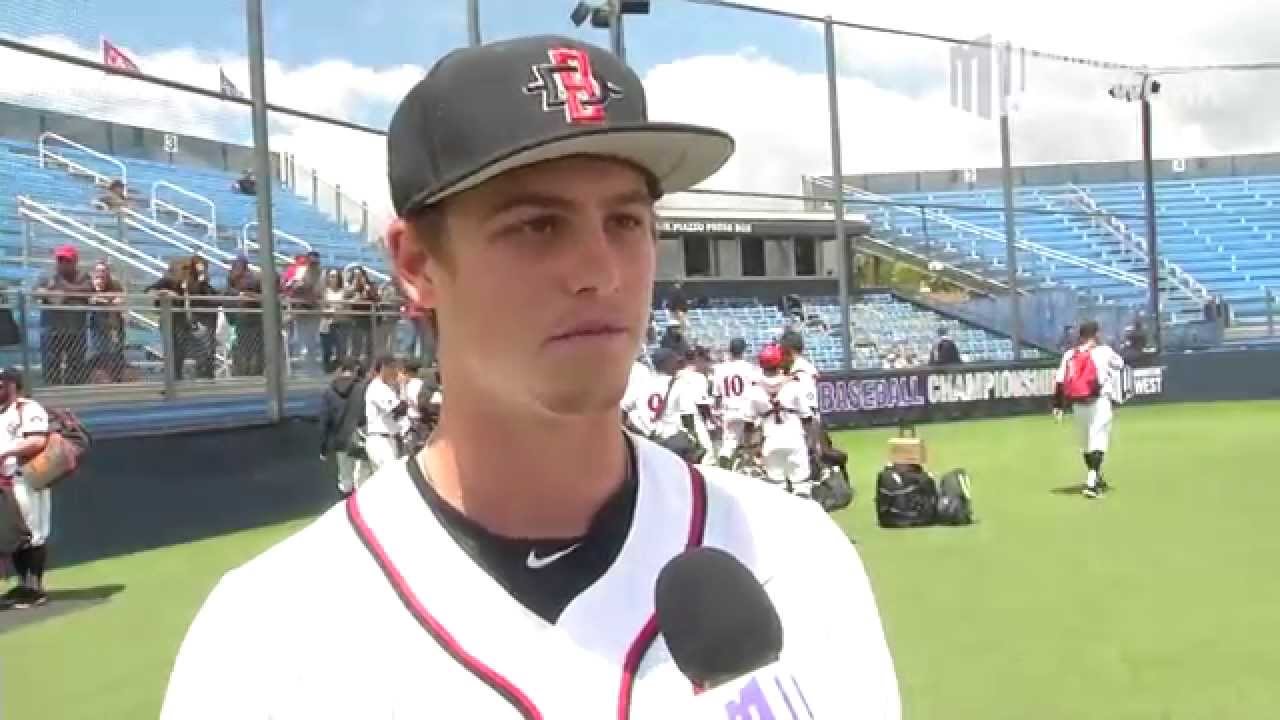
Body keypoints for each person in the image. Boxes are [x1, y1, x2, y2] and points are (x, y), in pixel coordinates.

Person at [161, 36, 898, 720]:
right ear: (417, 265)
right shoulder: (267, 637)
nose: (600, 273)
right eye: (537, 226)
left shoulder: (795, 556)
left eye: (626, 223)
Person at [1052, 320, 1126, 499]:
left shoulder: (1070, 354)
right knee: (1098, 441)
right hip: (1099, 401)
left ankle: (1097, 476)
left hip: (1078, 404)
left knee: (1086, 444)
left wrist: (1058, 405)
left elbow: (1060, 381)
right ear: (1096, 334)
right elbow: (1120, 364)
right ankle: (1091, 483)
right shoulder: (1104, 351)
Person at [0, 369, 52, 609]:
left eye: (2, 383)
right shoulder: (2, 412)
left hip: (27, 478)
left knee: (33, 533)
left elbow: (37, 440)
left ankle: (36, 587)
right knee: (15, 534)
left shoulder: (28, 408)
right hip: (6, 482)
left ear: (12, 384)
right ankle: (23, 583)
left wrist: (5, 452)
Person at [745, 344, 818, 497]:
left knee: (777, 491)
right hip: (795, 440)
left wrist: (750, 448)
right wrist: (811, 443)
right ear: (780, 363)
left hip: (770, 442)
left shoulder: (754, 389)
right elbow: (807, 418)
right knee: (802, 487)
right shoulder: (794, 384)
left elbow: (749, 424)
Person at [33, 245, 92, 386]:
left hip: (76, 330)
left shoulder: (82, 276)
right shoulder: (47, 275)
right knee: (51, 365)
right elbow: (35, 292)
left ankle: (74, 395)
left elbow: (88, 290)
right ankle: (53, 396)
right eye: (60, 259)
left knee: (76, 366)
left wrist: (64, 290)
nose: (63, 263)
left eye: (67, 260)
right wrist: (50, 293)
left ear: (75, 261)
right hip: (52, 330)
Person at [711, 337, 762, 469]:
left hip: (729, 409)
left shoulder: (720, 369)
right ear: (743, 350)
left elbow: (717, 395)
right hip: (747, 409)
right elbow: (756, 388)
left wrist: (716, 412)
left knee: (729, 442)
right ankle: (746, 465)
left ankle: (726, 458)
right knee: (750, 441)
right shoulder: (750, 368)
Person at [320, 359, 365, 496]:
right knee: (361, 474)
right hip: (359, 435)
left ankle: (346, 505)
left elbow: (324, 420)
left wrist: (323, 447)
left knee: (345, 477)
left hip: (340, 438)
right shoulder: (362, 388)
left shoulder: (329, 391)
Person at [363, 354, 406, 472]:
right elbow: (399, 410)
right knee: (391, 478)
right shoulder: (378, 387)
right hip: (380, 441)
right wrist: (403, 386)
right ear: (383, 368)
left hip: (388, 440)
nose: (395, 371)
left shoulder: (386, 387)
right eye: (392, 367)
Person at [224, 255, 264, 377]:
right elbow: (228, 298)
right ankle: (241, 376)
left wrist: (249, 295)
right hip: (236, 322)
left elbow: (261, 297)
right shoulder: (230, 283)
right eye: (235, 267)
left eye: (239, 267)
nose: (236, 270)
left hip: (253, 322)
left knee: (254, 355)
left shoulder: (254, 279)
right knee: (241, 353)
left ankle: (253, 377)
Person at [86, 260, 125, 382]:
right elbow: (92, 299)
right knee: (100, 355)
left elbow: (120, 300)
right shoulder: (90, 284)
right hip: (97, 326)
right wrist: (101, 294)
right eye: (98, 271)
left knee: (115, 354)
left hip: (115, 325)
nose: (101, 274)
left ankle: (115, 377)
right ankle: (100, 378)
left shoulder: (115, 284)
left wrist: (108, 301)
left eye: (104, 271)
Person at [319, 268, 349, 373]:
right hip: (326, 324)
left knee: (341, 349)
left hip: (340, 323)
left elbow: (345, 305)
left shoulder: (343, 291)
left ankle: (340, 370)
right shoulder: (325, 291)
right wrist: (331, 309)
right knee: (327, 350)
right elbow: (322, 306)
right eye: (331, 276)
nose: (333, 278)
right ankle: (326, 370)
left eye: (335, 276)